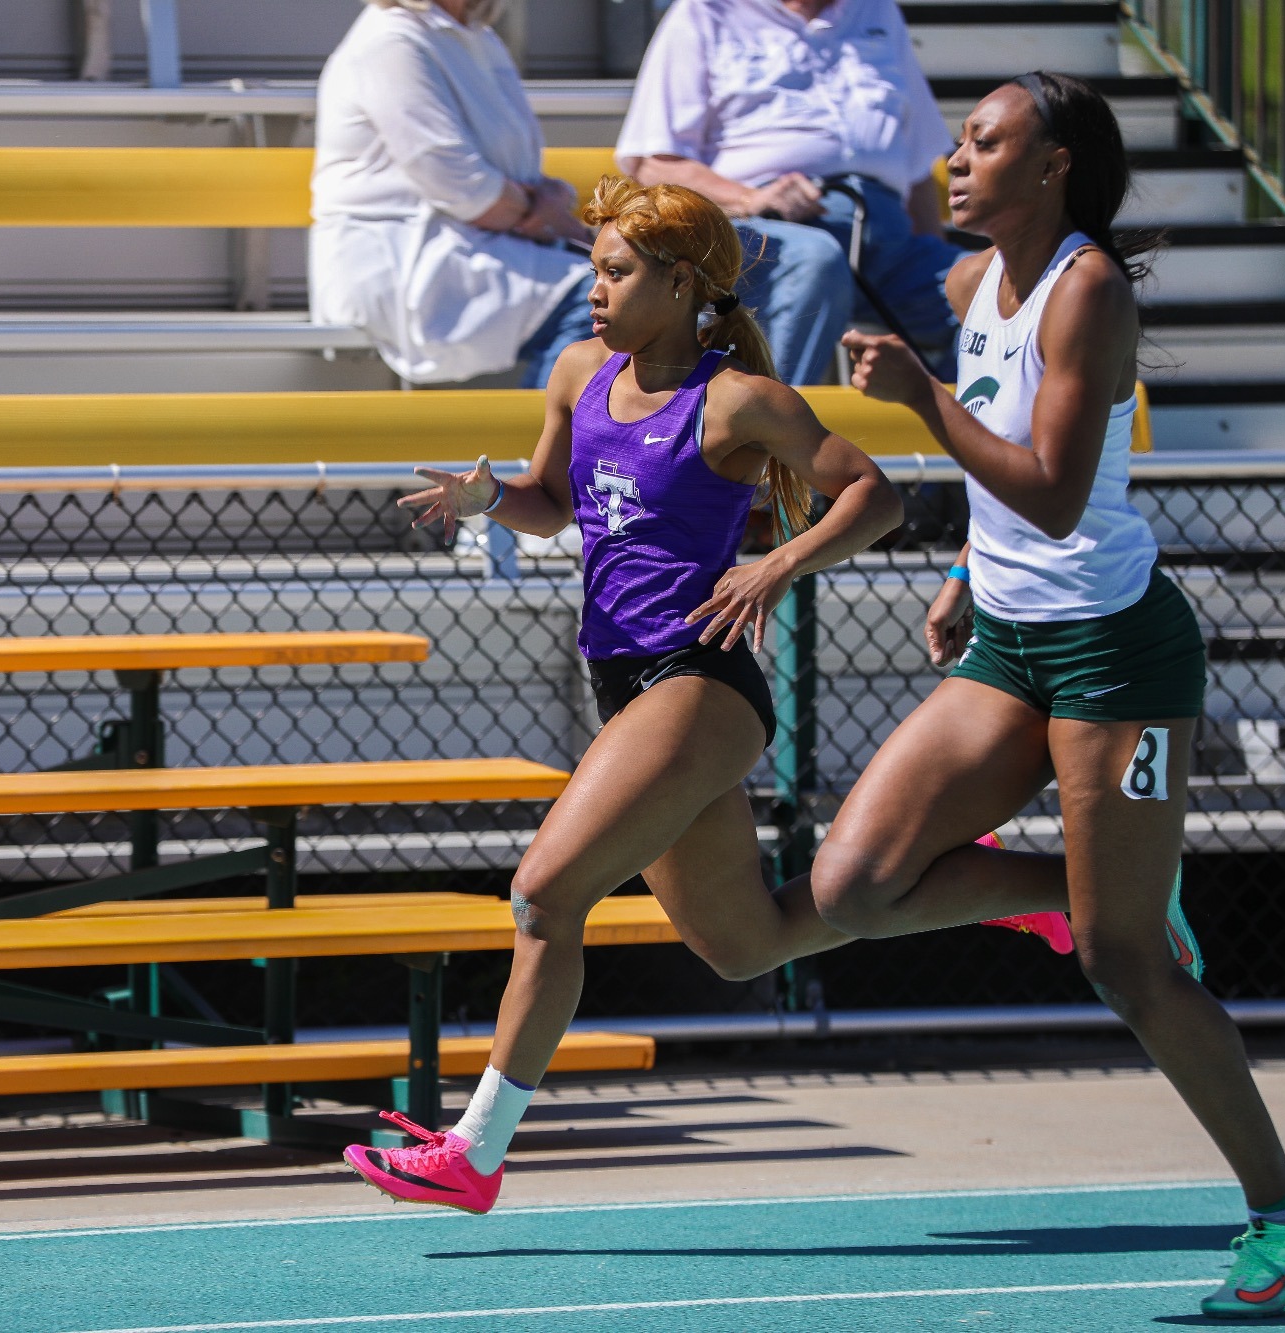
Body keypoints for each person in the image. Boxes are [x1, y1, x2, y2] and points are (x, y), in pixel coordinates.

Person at [820, 73, 1285, 1320]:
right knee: (851, 887)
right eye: (954, 143)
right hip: (1009, 638)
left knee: (1124, 967)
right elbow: (1009, 466)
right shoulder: (963, 286)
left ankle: (1283, 1207)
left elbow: (1052, 490)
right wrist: (958, 566)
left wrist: (916, 403)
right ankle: (1093, 894)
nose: (953, 162)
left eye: (983, 143)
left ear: (1051, 166)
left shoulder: (1088, 286)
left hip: (1116, 655)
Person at [341, 175, 906, 1213]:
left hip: (699, 684)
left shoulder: (737, 399)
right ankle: (1016, 891)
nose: (592, 290)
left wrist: (775, 566)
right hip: (623, 684)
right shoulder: (574, 372)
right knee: (747, 946)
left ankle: (475, 1148)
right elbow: (553, 505)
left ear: (683, 282)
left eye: (614, 272)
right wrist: (487, 499)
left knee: (546, 893)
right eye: (591, 268)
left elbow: (875, 493)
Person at [617, 0, 969, 382]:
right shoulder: (704, 11)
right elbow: (653, 163)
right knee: (816, 261)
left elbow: (916, 167)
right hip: (766, 233)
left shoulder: (878, 9)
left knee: (987, 283)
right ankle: (766, 432)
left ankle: (968, 432)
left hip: (887, 243)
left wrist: (933, 249)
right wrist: (750, 199)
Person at [309, 0, 595, 389]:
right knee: (597, 300)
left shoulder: (477, 36)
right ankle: (552, 447)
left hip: (479, 247)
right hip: (407, 261)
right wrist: (545, 213)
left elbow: (510, 165)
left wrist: (548, 201)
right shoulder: (391, 41)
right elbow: (463, 187)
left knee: (637, 291)